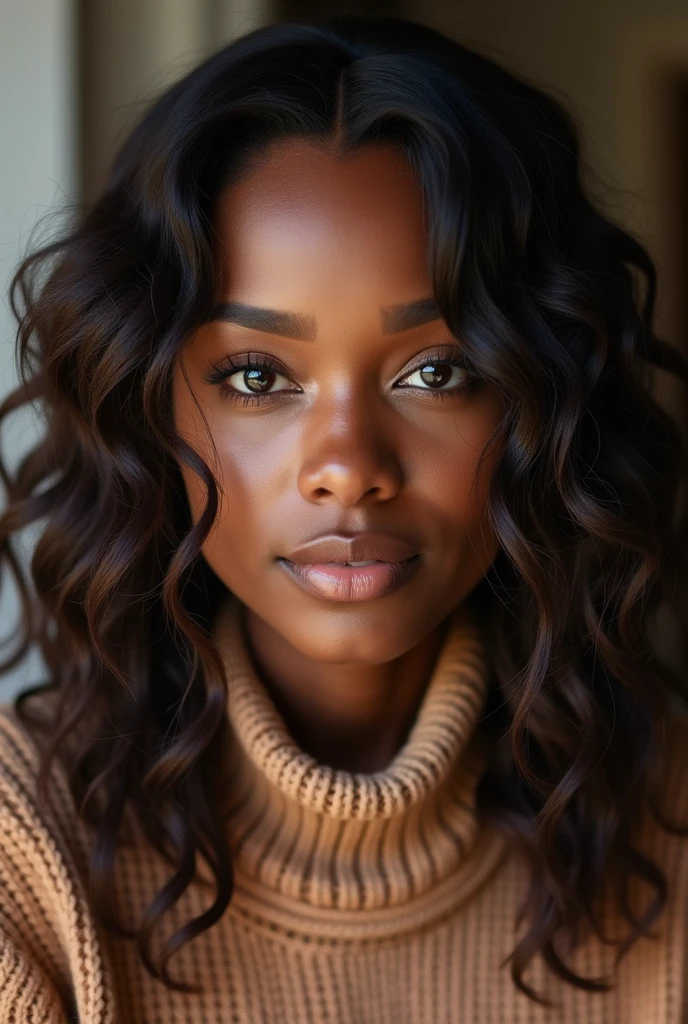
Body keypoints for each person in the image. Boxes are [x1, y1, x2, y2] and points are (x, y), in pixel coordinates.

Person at [0, 13, 687, 1023]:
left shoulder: (665, 826)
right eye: (255, 375)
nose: (348, 469)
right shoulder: (24, 865)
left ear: (540, 407)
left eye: (435, 370)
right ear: (146, 408)